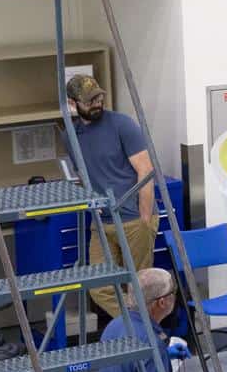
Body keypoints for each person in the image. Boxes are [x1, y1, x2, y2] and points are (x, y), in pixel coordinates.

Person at [65, 74, 161, 316]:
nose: (96, 103)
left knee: (140, 288)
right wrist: (90, 199)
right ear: (72, 104)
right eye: (89, 101)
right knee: (99, 288)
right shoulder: (71, 135)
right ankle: (136, 327)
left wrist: (143, 218)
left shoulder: (122, 125)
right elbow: (81, 173)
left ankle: (145, 335)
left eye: (99, 97)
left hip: (132, 220)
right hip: (102, 223)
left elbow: (146, 170)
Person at [96, 267, 227, 372]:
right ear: (162, 302)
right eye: (173, 292)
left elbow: (131, 365)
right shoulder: (150, 340)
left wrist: (164, 355)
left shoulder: (115, 326)